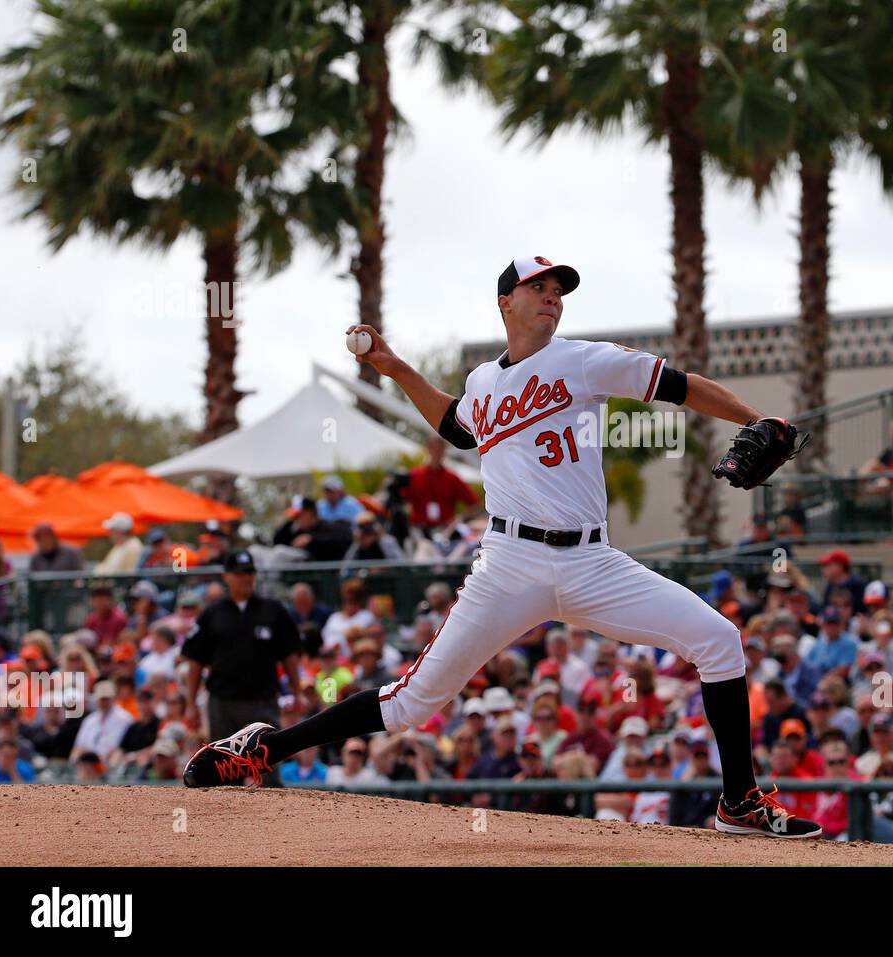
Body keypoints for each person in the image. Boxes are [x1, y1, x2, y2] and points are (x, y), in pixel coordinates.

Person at [183, 256, 820, 837]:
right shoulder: (485, 381)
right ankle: (260, 748)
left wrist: (755, 420)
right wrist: (394, 367)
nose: (550, 296)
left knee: (720, 640)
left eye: (557, 289)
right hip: (510, 563)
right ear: (504, 303)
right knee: (411, 703)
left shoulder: (583, 360)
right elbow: (456, 425)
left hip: (593, 561)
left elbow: (679, 385)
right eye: (535, 286)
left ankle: (739, 802)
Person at [180, 551, 305, 786]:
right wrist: (190, 705)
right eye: (239, 573)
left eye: (249, 573)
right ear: (226, 576)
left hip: (263, 701)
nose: (245, 578)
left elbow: (290, 655)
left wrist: (297, 693)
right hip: (222, 703)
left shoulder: (273, 610)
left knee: (267, 764)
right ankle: (227, 822)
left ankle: (274, 821)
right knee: (223, 770)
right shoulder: (212, 614)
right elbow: (195, 661)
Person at [403, 435, 481, 538]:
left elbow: (474, 504)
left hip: (444, 531)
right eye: (434, 449)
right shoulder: (415, 475)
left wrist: (459, 519)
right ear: (428, 450)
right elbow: (402, 500)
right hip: (418, 530)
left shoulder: (452, 478)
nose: (437, 453)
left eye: (440, 450)